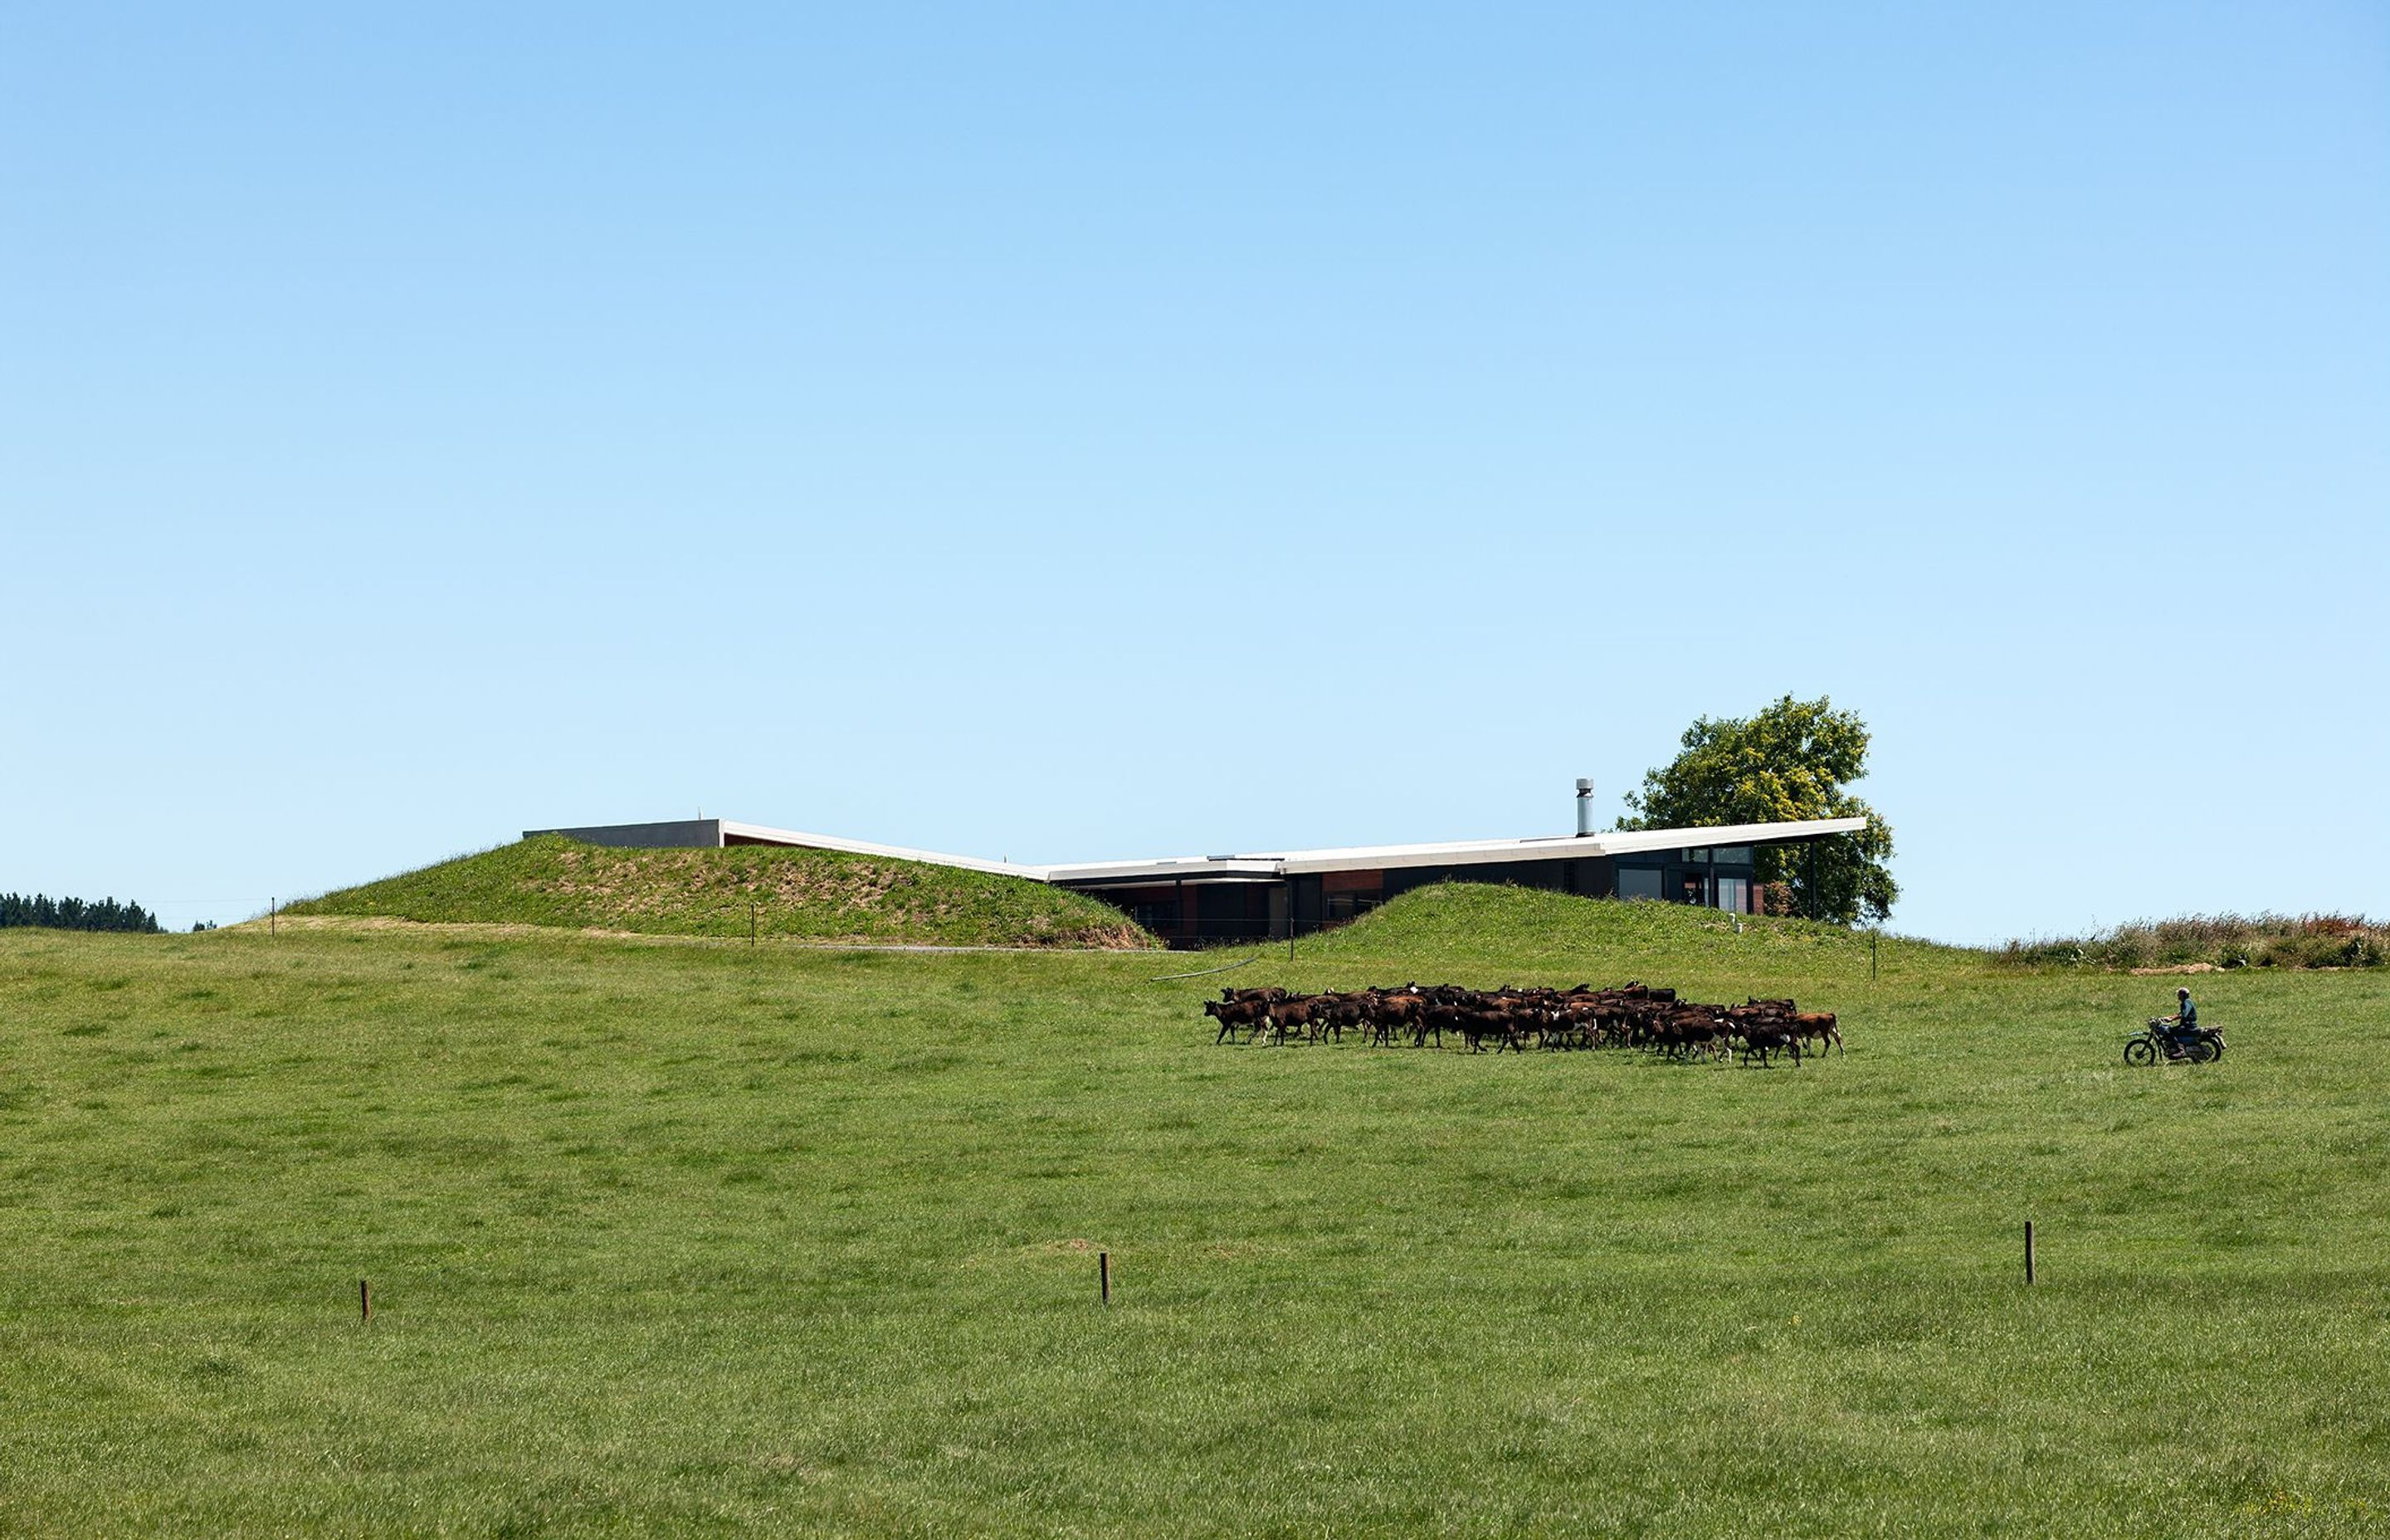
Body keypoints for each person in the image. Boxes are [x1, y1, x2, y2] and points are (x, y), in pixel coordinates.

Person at [2159, 986, 2199, 1059]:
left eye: (2179, 994)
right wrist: (2170, 1017)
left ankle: (2181, 1050)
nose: (2178, 996)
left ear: (2183, 995)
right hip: (2187, 1025)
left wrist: (2172, 1019)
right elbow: (2181, 1013)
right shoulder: (2187, 1002)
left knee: (2170, 1032)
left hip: (2188, 1026)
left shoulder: (2186, 1003)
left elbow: (2184, 1015)